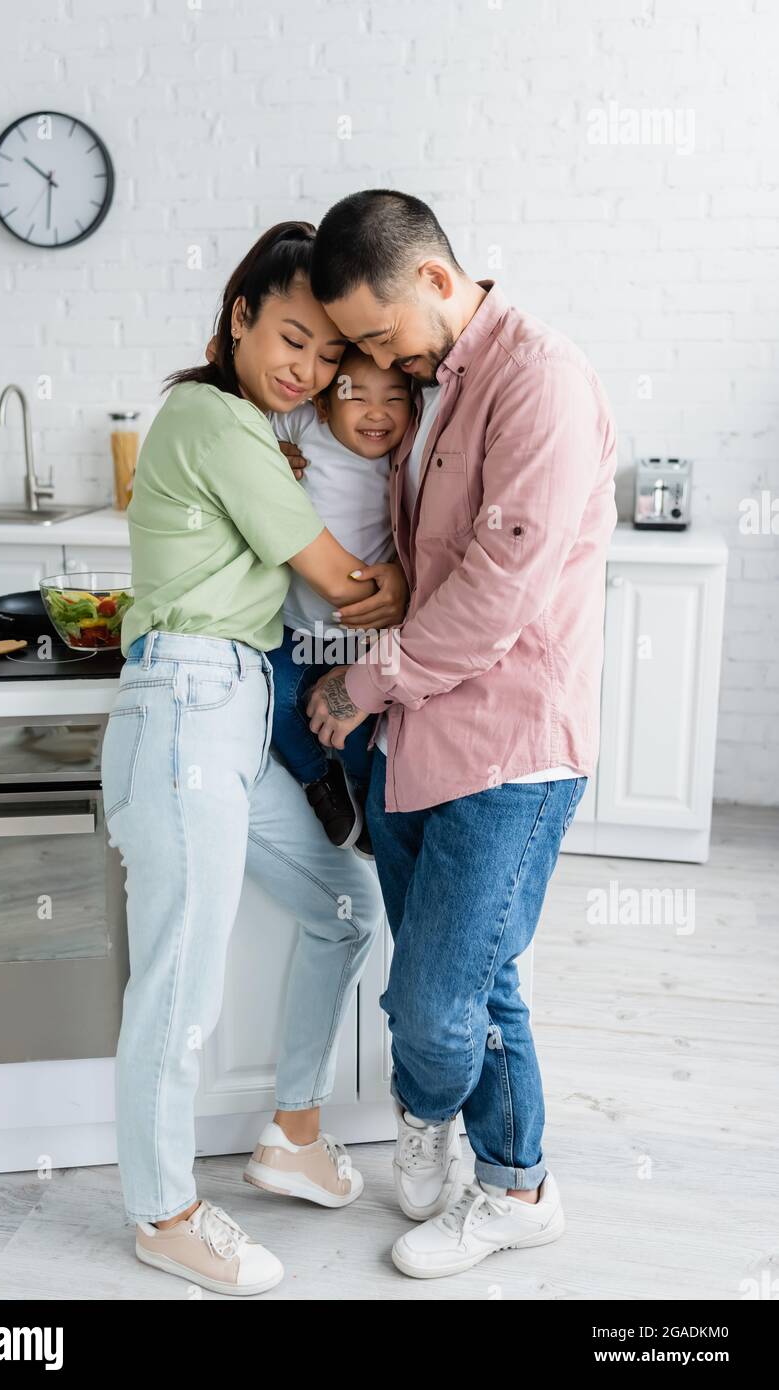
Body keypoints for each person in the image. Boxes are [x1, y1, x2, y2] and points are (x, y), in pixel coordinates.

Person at [306, 189, 618, 1280]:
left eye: (381, 335)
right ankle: (513, 1174)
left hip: (508, 749)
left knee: (435, 1005)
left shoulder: (541, 381)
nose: (376, 361)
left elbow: (498, 595)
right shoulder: (438, 385)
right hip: (417, 742)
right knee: (480, 984)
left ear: (437, 280)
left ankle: (451, 1127)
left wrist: (361, 688)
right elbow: (432, 564)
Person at [101, 221, 405, 1297]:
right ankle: (166, 1211)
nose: (308, 370)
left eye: (328, 356)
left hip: (228, 706)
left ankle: (292, 1128)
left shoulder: (256, 434)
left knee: (343, 902)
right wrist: (448, 582)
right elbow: (340, 580)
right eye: (290, 337)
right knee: (179, 981)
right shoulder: (211, 416)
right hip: (185, 702)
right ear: (237, 315)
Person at [266, 343, 413, 855]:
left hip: (362, 634)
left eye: (395, 399)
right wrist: (272, 456)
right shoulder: (305, 425)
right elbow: (247, 432)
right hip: (293, 625)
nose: (378, 412)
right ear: (324, 405)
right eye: (357, 397)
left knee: (354, 730)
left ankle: (366, 795)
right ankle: (318, 784)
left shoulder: (405, 455)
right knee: (276, 707)